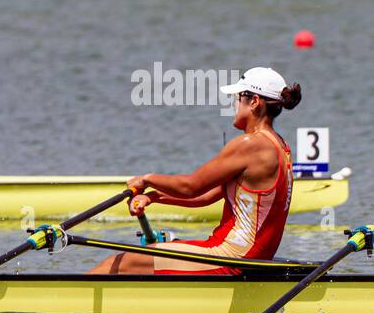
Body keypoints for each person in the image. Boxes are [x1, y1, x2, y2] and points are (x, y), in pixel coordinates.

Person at [88, 67, 298, 275]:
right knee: (145, 256)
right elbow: (206, 196)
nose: (233, 103)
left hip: (231, 256)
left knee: (118, 263)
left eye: (237, 97)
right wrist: (153, 197)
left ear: (254, 102)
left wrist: (147, 179)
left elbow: (190, 186)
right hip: (248, 256)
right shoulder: (280, 146)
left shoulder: (250, 145)